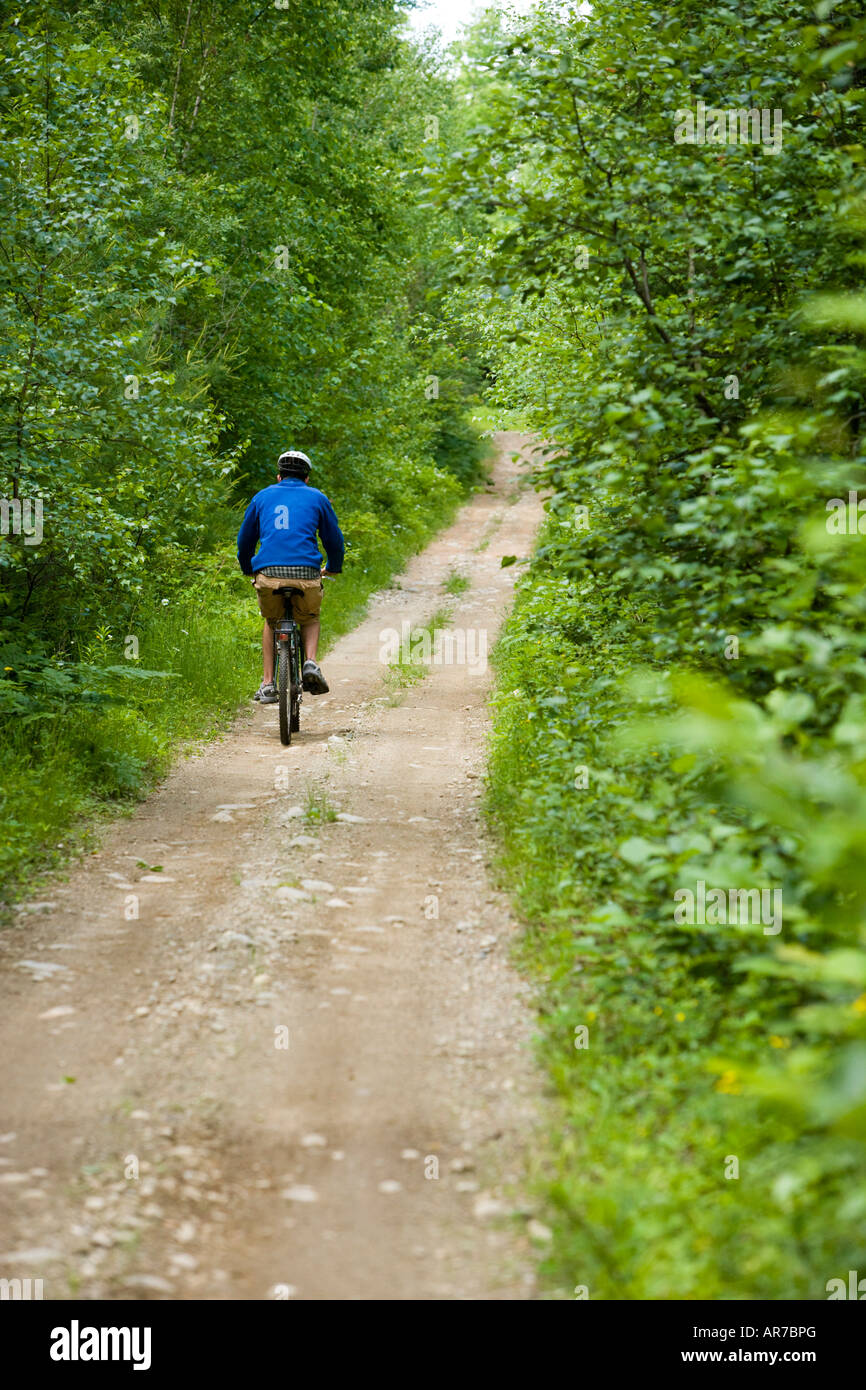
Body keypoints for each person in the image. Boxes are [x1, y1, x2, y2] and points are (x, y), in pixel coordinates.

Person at [237, 449, 344, 704]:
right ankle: (310, 662)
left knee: (271, 621)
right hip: (306, 574)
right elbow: (333, 540)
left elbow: (245, 540)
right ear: (307, 478)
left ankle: (267, 684)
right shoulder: (318, 498)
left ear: (278, 476)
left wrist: (247, 567)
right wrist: (333, 566)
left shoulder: (262, 497)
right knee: (310, 616)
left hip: (269, 574)